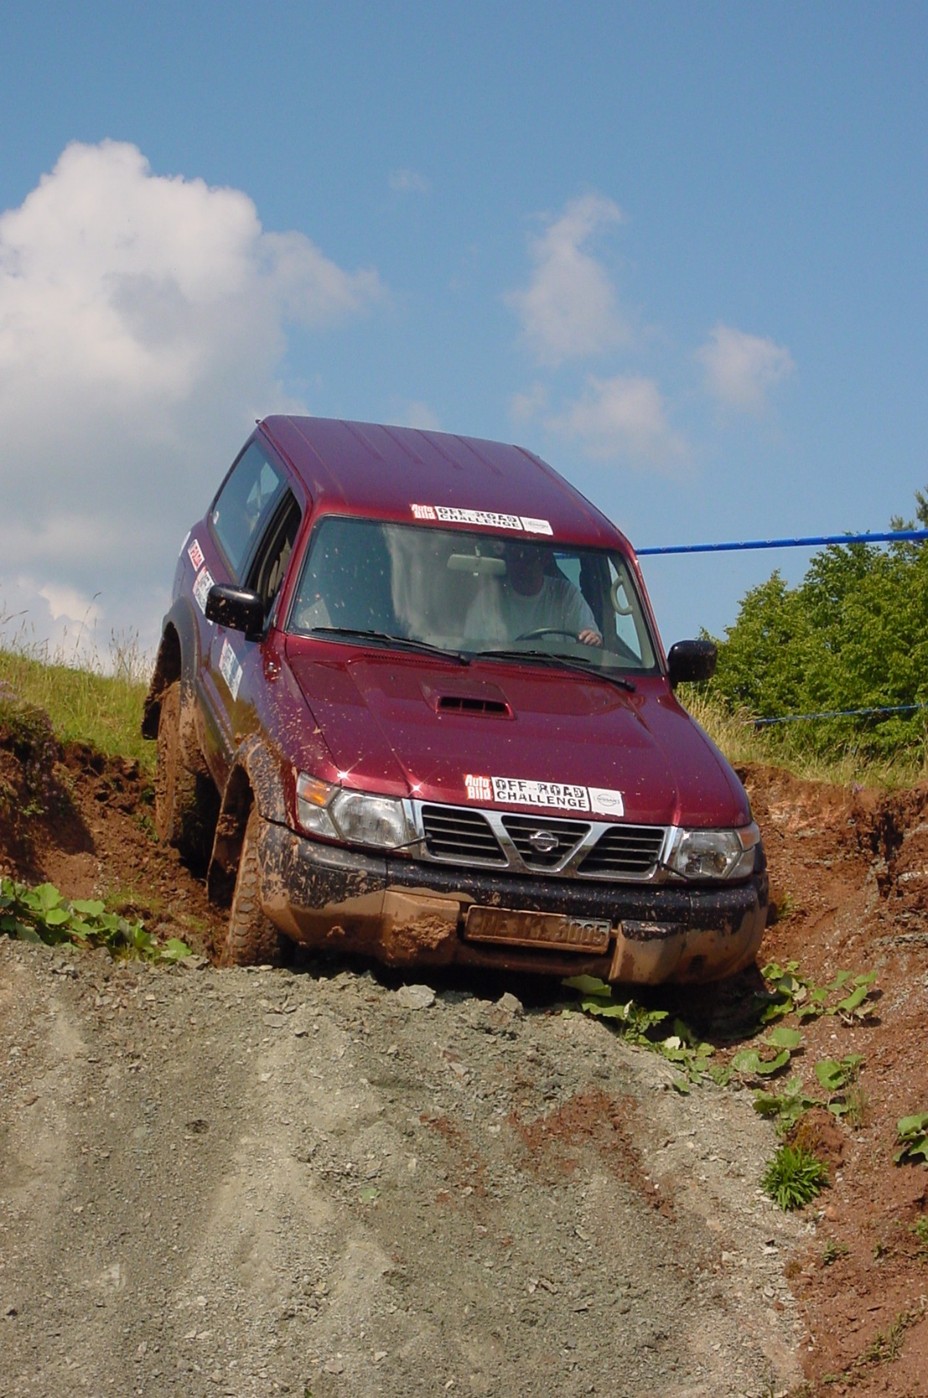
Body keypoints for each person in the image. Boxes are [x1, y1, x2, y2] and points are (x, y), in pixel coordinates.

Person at [464, 540, 602, 647]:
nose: (521, 566)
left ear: (543, 560)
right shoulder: (489, 598)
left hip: (557, 670)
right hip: (499, 670)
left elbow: (589, 637)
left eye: (528, 558)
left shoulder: (565, 595)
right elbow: (470, 646)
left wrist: (591, 639)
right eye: (515, 558)